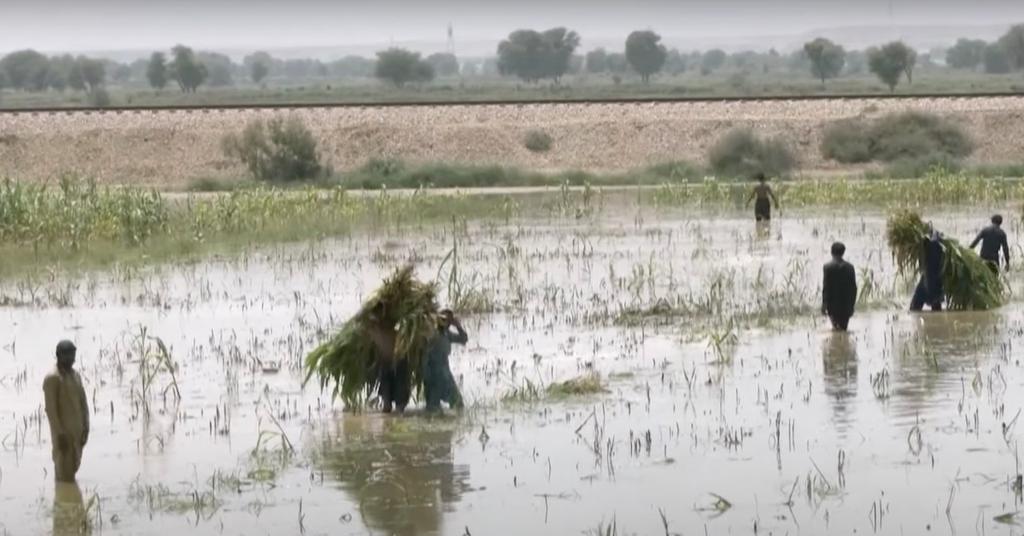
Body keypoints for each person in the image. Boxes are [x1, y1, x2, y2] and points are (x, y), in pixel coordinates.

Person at [43, 340, 89, 483]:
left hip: (77, 432)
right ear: (58, 355)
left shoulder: (75, 375)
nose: (71, 359)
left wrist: (86, 427)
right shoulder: (52, 378)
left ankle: (69, 501)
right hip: (63, 435)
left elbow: (83, 403)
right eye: (67, 355)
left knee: (72, 471)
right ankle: (63, 502)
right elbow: (51, 410)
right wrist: (59, 434)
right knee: (63, 475)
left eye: (73, 355)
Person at [365, 303, 411, 413]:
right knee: (387, 404)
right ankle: (389, 425)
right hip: (384, 366)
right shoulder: (373, 331)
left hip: (399, 365)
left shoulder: (398, 333)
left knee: (400, 404)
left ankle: (394, 425)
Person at [423, 309, 468, 413]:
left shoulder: (447, 334)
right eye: (442, 319)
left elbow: (464, 339)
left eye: (448, 320)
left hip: (444, 373)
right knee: (433, 407)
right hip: (432, 373)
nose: (445, 322)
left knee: (458, 403)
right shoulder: (431, 333)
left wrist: (458, 326)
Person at [822, 242, 858, 331]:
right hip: (846, 304)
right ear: (843, 252)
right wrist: (852, 305)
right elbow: (854, 287)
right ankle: (842, 343)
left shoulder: (827, 267)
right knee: (843, 328)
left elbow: (826, 287)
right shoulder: (850, 267)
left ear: (831, 252)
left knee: (836, 328)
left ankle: (838, 343)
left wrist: (824, 304)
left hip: (832, 304)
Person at [910, 225, 945, 312]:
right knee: (936, 306)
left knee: (915, 308)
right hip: (935, 280)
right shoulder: (938, 244)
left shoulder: (930, 244)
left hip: (929, 280)